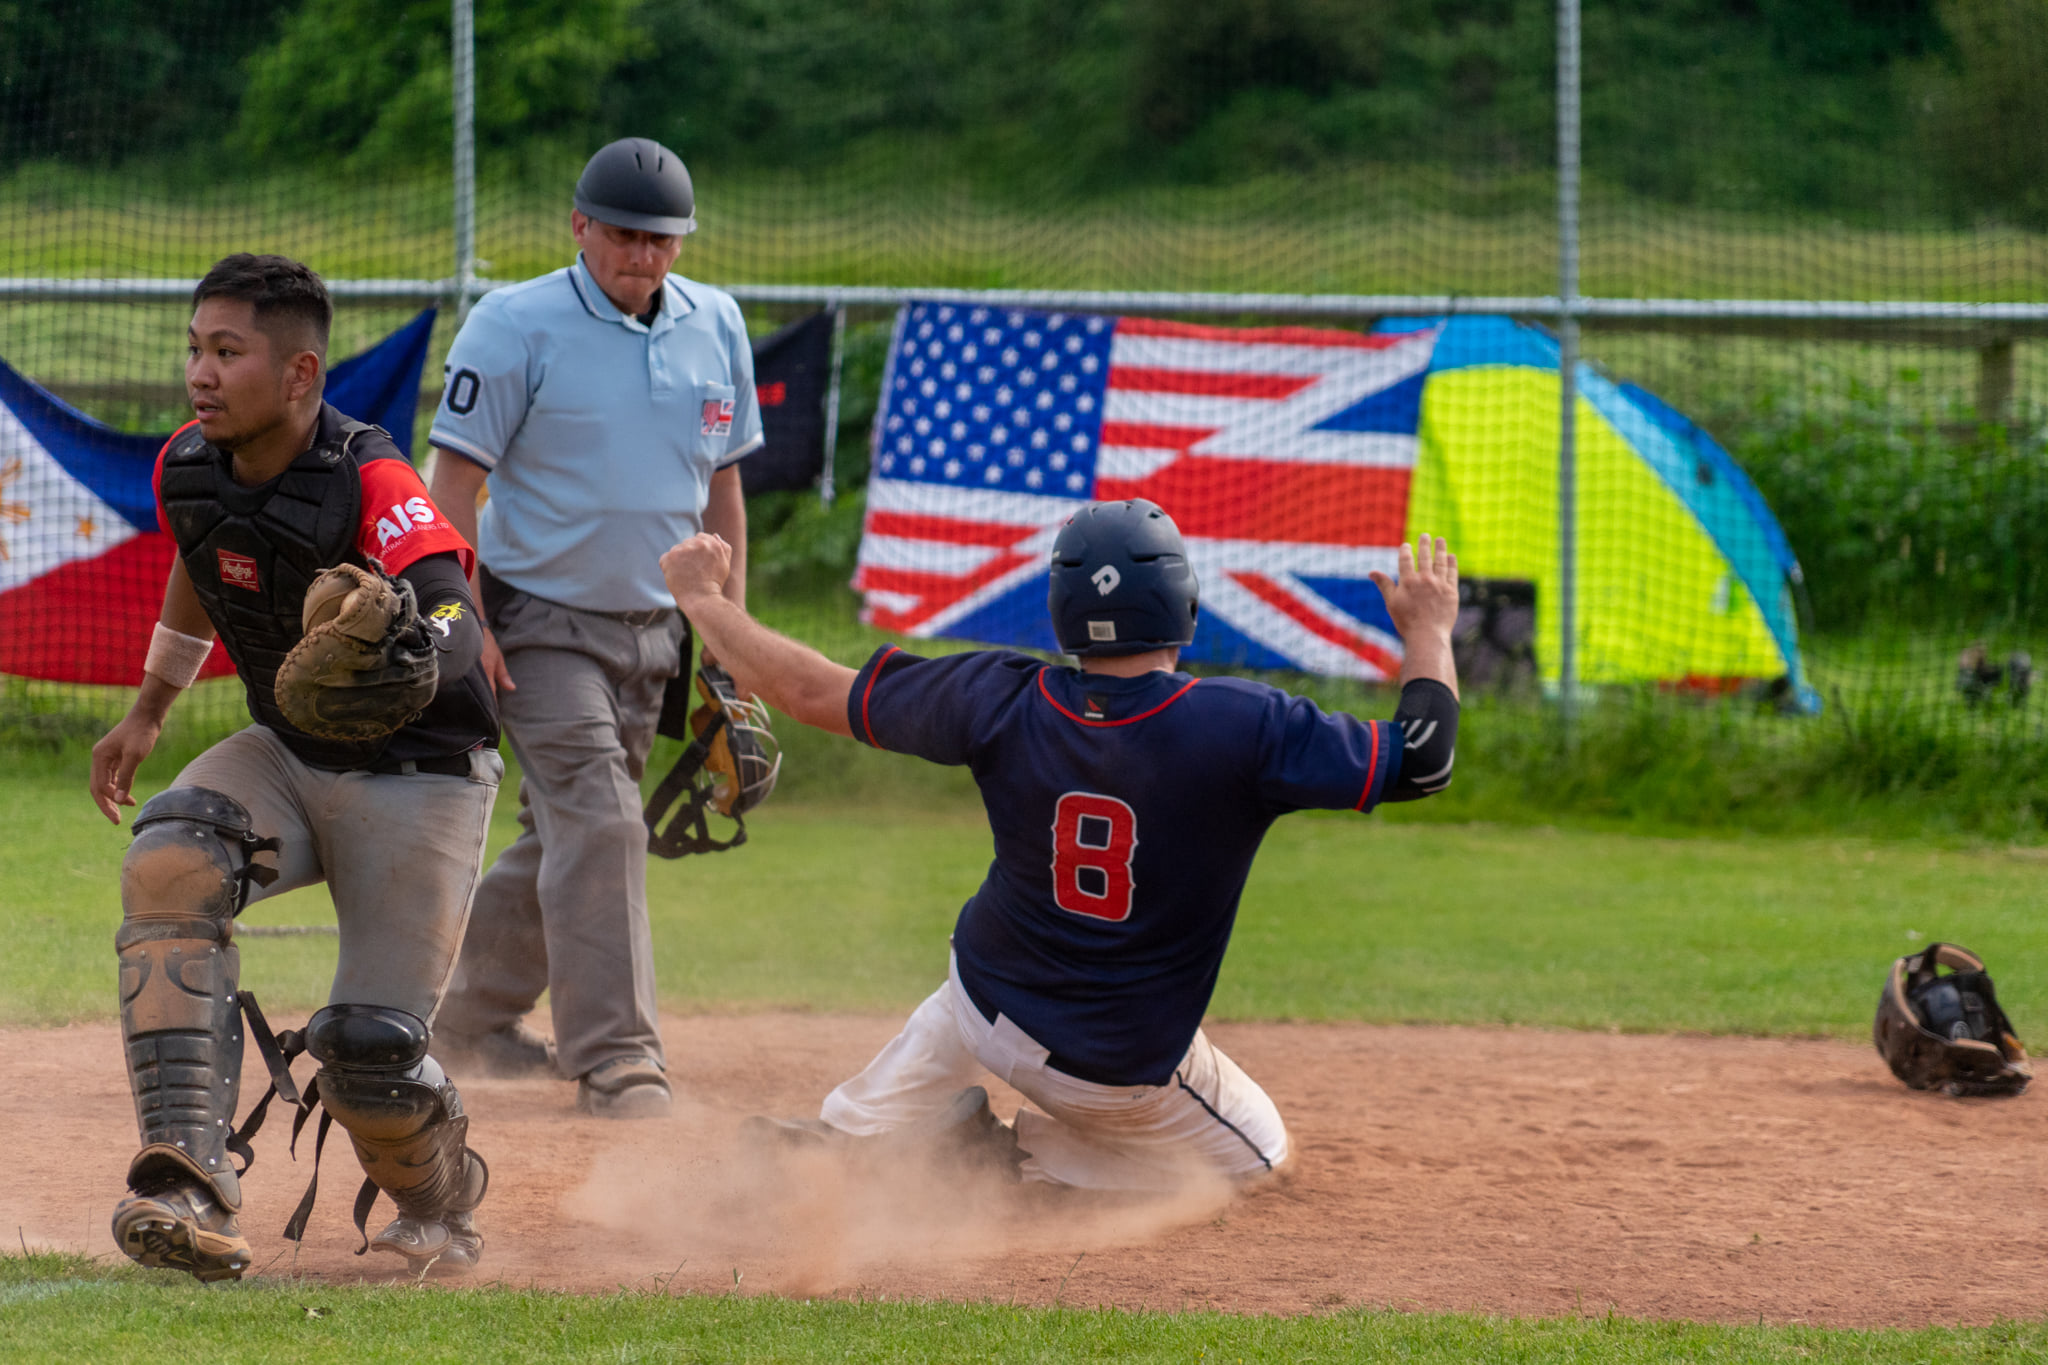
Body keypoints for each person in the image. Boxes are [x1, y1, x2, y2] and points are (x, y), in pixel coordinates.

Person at [657, 499, 1462, 1190]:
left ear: (1063, 608)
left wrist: (703, 599)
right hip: (1113, 1071)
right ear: (1182, 604)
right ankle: (1009, 1161)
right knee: (1260, 1160)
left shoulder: (998, 695)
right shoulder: (1245, 726)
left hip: (980, 1004)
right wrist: (1427, 629)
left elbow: (806, 689)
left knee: (972, 988)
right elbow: (1424, 759)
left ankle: (855, 1133)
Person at [88, 253, 502, 1279]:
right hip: (287, 750)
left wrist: (415, 649)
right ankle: (183, 1173)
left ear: (301, 375)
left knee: (367, 1049)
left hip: (422, 774)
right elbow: (200, 554)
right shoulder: (188, 462)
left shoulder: (370, 475)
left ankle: (445, 1202)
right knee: (173, 855)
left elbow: (451, 602)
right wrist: (149, 712)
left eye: (229, 352)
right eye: (196, 348)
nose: (202, 372)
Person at [426, 137, 764, 1119]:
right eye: (623, 234)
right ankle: (618, 1060)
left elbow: (724, 486)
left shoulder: (718, 324)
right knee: (604, 820)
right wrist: (462, 617)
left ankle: (467, 1024)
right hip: (537, 620)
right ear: (579, 227)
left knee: (568, 837)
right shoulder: (515, 323)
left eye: (662, 239)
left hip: (657, 628)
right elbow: (452, 482)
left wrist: (728, 634)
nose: (643, 255)